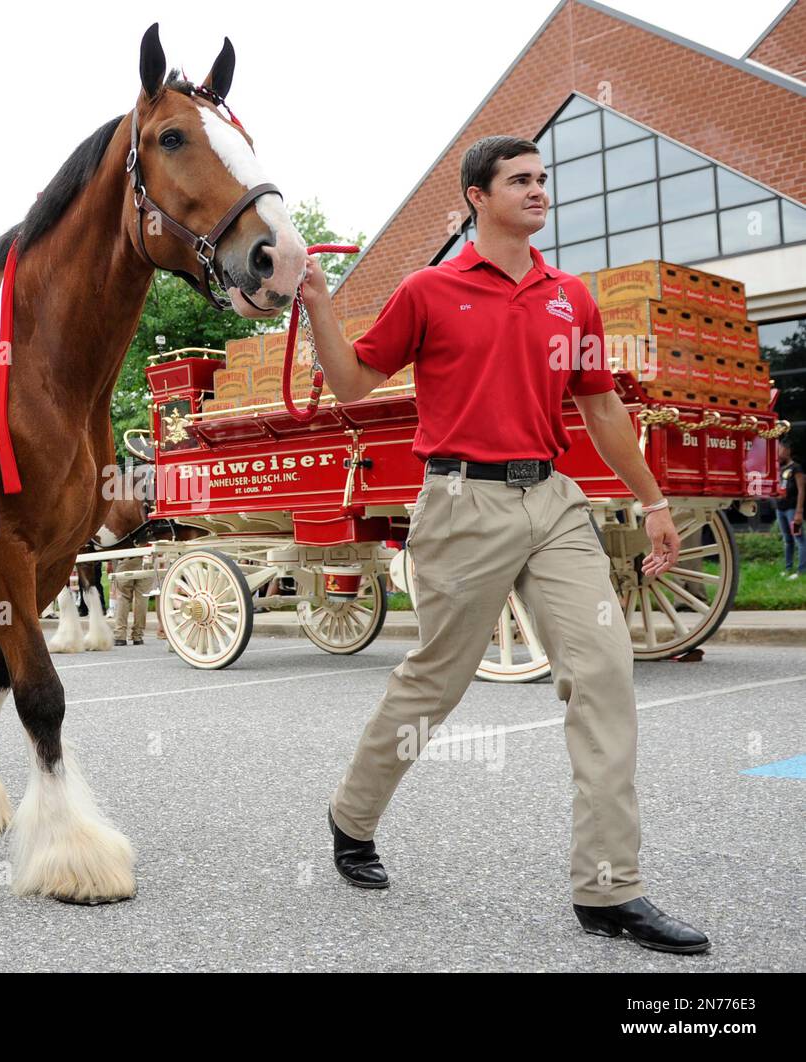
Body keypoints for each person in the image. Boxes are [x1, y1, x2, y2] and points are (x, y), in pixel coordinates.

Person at [303, 135, 708, 954]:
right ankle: (353, 817)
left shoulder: (571, 299)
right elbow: (351, 384)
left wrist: (654, 501)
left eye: (542, 178)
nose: (538, 190)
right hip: (461, 502)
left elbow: (599, 409)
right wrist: (315, 298)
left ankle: (608, 890)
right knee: (435, 684)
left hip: (554, 503)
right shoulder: (428, 290)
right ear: (476, 198)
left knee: (603, 670)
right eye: (519, 180)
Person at [111, 554, 156, 645]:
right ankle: (138, 635)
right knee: (142, 598)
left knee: (123, 597)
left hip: (127, 558)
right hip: (147, 559)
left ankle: (120, 634)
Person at [776, 440, 804, 579]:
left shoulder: (796, 468)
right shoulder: (779, 468)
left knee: (798, 539)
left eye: (779, 450)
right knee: (787, 540)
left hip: (792, 510)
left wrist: (799, 512)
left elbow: (802, 490)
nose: (777, 454)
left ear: (787, 451)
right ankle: (788, 568)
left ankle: (801, 571)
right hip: (780, 509)